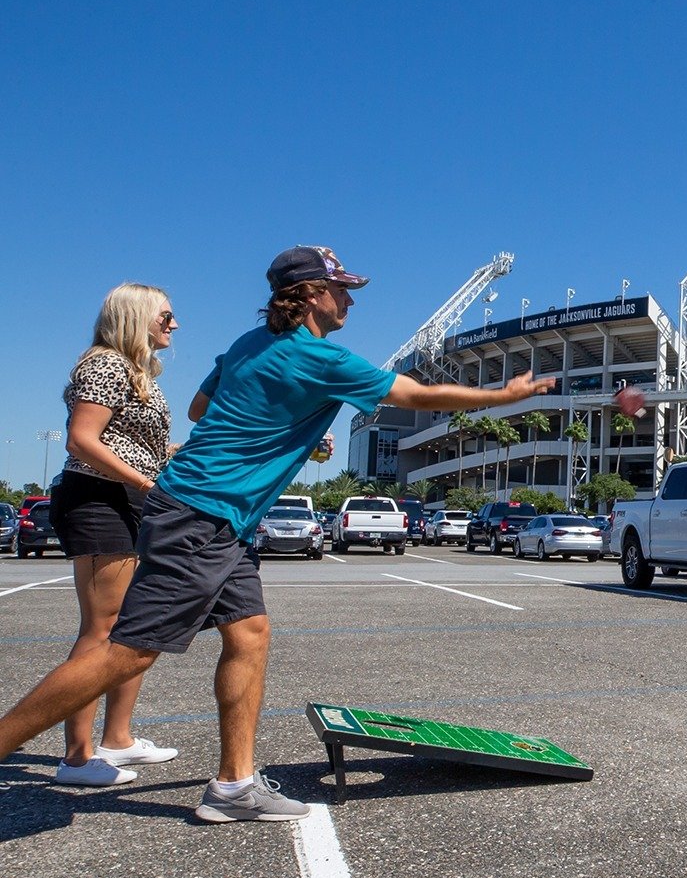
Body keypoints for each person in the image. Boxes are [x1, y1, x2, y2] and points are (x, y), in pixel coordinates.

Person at [0, 245, 555, 824]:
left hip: (219, 519)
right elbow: (414, 395)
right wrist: (501, 395)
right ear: (313, 294)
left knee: (250, 633)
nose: (349, 300)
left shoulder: (247, 344)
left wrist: (284, 423)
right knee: (129, 653)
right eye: (342, 289)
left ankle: (235, 787)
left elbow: (198, 408)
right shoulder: (319, 358)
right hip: (201, 512)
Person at [49, 284, 180, 787]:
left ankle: (118, 740)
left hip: (128, 497)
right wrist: (145, 481)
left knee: (133, 626)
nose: (175, 324)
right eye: (166, 315)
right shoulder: (105, 365)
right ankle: (76, 759)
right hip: (100, 499)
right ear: (136, 316)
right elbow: (82, 439)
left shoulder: (136, 371)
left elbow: (141, 445)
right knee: (101, 629)